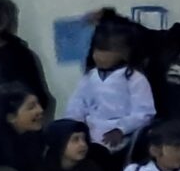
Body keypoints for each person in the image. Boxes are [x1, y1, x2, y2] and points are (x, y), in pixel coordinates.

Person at [65, 19, 155, 155]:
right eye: (97, 50)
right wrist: (74, 126)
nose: (99, 56)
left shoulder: (135, 79)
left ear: (125, 52)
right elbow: (77, 104)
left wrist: (121, 129)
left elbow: (144, 113)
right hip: (88, 134)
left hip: (120, 138)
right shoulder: (90, 76)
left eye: (106, 51)